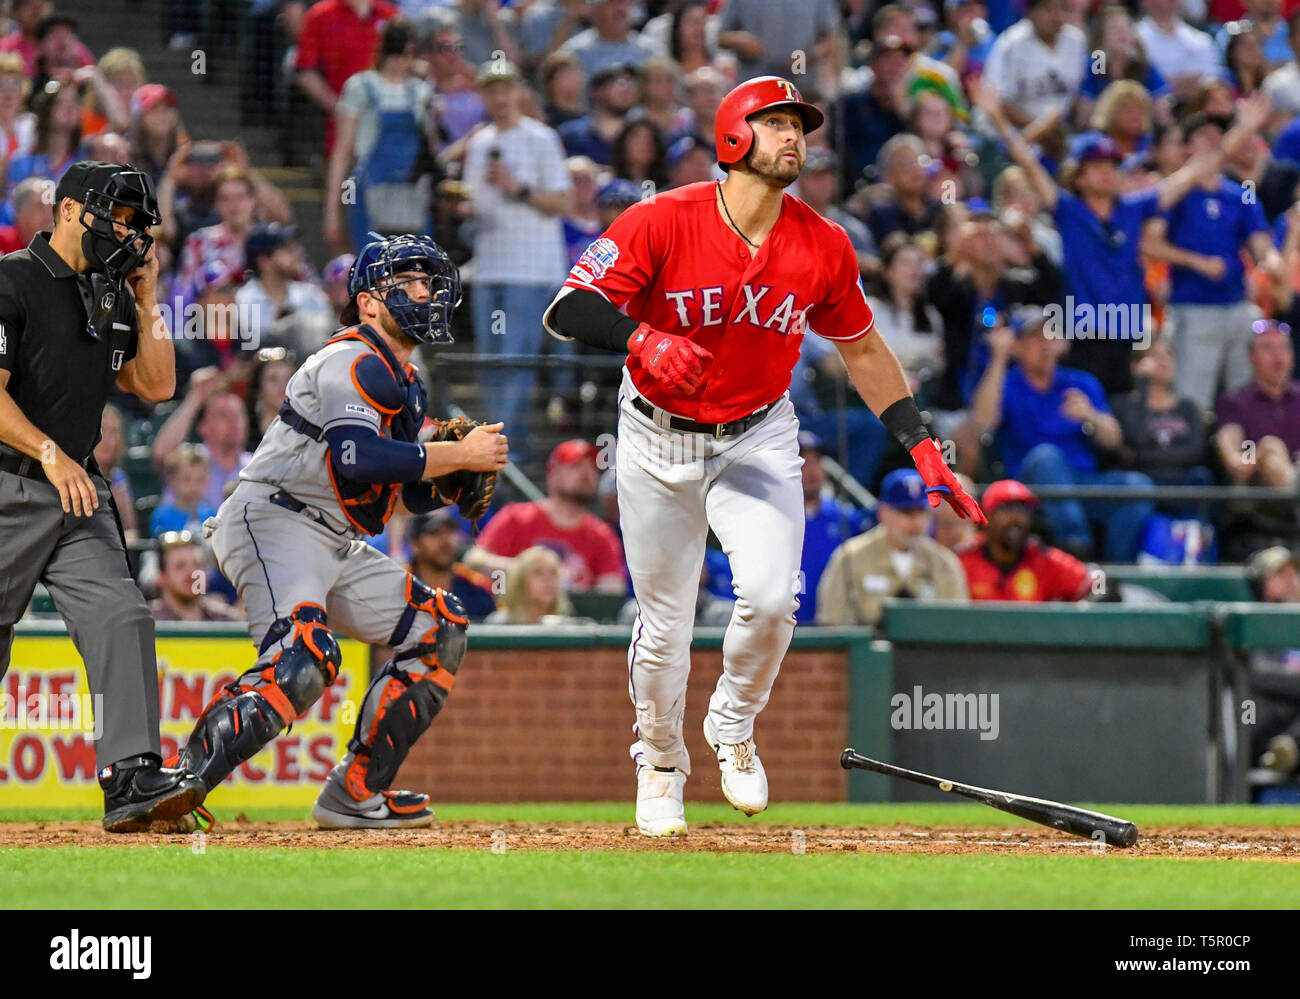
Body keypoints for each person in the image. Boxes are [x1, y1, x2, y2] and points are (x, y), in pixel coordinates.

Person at [542, 76, 984, 836]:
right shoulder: (662, 218)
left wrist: (923, 445)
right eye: (776, 123)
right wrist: (642, 336)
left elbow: (864, 348)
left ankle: (733, 724)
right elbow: (568, 307)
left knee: (776, 596)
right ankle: (658, 761)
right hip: (654, 434)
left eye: (799, 127)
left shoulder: (824, 241)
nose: (794, 137)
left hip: (756, 430)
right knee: (664, 628)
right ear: (733, 138)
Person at [168, 233, 509, 830]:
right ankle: (179, 783)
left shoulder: (404, 382)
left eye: (428, 283)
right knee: (303, 657)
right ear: (371, 303)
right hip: (271, 518)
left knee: (441, 628)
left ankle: (354, 792)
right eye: (409, 284)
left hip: (332, 536)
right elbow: (357, 457)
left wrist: (446, 478)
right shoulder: (346, 359)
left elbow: (392, 488)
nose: (426, 294)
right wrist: (458, 458)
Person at [0, 160, 207, 831]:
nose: (126, 233)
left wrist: (147, 299)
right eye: (114, 217)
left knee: (124, 615)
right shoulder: (12, 280)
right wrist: (50, 452)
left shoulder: (113, 292)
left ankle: (131, 776)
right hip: (11, 481)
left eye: (133, 222)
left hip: (75, 488)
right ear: (66, 211)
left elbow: (156, 386)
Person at [972, 78, 1268, 396]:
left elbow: (1193, 172)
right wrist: (998, 119)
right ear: (1079, 177)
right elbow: (1029, 165)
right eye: (1097, 166)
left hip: (1129, 339)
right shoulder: (1069, 211)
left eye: (1113, 166)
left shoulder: (1134, 208)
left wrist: (1244, 130)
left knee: (1125, 431)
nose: (1107, 172)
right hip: (1084, 340)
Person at [971, 306, 1154, 562]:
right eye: (1035, 338)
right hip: (1029, 486)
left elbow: (1114, 440)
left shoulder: (1081, 383)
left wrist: (1090, 415)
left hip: (1082, 481)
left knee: (1139, 487)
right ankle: (1078, 550)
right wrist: (999, 358)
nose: (1045, 344)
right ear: (1018, 346)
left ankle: (1117, 569)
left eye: (1051, 335)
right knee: (1047, 457)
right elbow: (983, 422)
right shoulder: (1007, 381)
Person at [463, 60, 571, 460]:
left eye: (506, 88)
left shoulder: (541, 139)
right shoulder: (478, 143)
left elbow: (561, 201)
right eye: (491, 90)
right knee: (491, 363)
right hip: (489, 264)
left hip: (529, 271)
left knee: (514, 362)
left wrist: (518, 188)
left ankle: (498, 454)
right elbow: (475, 201)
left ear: (519, 92)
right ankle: (509, 451)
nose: (500, 97)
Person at [1143, 109, 1282, 411]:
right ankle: (1195, 455)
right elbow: (1149, 243)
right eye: (1204, 137)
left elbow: (1261, 243)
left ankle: (1247, 452)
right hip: (1194, 307)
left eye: (1219, 137)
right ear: (1187, 147)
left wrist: (1271, 262)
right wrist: (1196, 261)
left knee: (1247, 396)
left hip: (1236, 305)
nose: (1215, 143)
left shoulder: (1240, 194)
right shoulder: (1175, 192)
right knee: (1194, 398)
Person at [324, 17, 435, 252]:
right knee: (373, 267)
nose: (402, 62)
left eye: (407, 54)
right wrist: (333, 211)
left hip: (411, 195)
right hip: (368, 191)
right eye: (397, 54)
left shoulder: (421, 92)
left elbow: (430, 150)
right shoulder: (361, 87)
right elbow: (343, 150)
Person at [467, 438, 626, 593]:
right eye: (576, 466)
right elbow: (475, 560)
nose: (587, 472)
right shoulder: (516, 518)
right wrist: (533, 570)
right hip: (518, 616)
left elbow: (613, 586)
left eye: (592, 467)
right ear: (553, 475)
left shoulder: (601, 535)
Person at [816, 469, 967, 626]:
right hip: (866, 648)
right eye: (906, 512)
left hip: (928, 649)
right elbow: (831, 622)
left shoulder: (944, 563)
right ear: (883, 512)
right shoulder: (851, 557)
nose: (915, 522)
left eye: (921, 511)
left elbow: (958, 626)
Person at [959, 479, 1093, 601]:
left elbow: (1092, 582)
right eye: (1006, 508)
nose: (1016, 516)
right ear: (987, 515)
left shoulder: (1042, 559)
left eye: (1023, 509)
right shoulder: (964, 560)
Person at [1216, 320, 1300, 489]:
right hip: (1257, 486)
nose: (1278, 355)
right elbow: (1234, 455)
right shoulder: (1235, 402)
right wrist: (1257, 455)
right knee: (1271, 447)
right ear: (1251, 357)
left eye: (1283, 347)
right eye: (1268, 348)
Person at [797, 431, 870, 625]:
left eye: (817, 461)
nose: (812, 470)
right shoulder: (770, 518)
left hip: (833, 627)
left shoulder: (846, 518)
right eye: (802, 462)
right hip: (782, 627)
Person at [980, 0, 1087, 126]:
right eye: (1048, 9)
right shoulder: (1011, 43)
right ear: (1029, 12)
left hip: (1059, 132)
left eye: (1063, 8)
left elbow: (1079, 94)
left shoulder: (1076, 41)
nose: (1057, 16)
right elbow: (998, 102)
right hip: (1008, 133)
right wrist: (1040, 130)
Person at [236, 222, 333, 358]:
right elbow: (255, 353)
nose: (298, 253)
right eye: (287, 249)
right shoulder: (242, 301)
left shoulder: (312, 295)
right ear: (264, 261)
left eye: (295, 247)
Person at [407, 507, 497, 621]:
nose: (445, 540)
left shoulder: (476, 588)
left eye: (450, 531)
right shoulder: (399, 586)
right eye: (434, 533)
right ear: (415, 544)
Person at [148, 532, 244, 623]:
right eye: (180, 566)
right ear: (161, 577)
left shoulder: (228, 622)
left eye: (197, 565)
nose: (192, 573)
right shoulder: (145, 623)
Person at [485, 545, 575, 624]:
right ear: (520, 581)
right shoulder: (500, 625)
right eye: (538, 572)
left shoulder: (567, 628)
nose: (548, 580)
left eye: (553, 573)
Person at [150, 443, 219, 538]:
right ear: (172, 480)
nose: (194, 486)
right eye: (187, 479)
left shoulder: (213, 516)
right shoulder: (162, 516)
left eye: (200, 479)